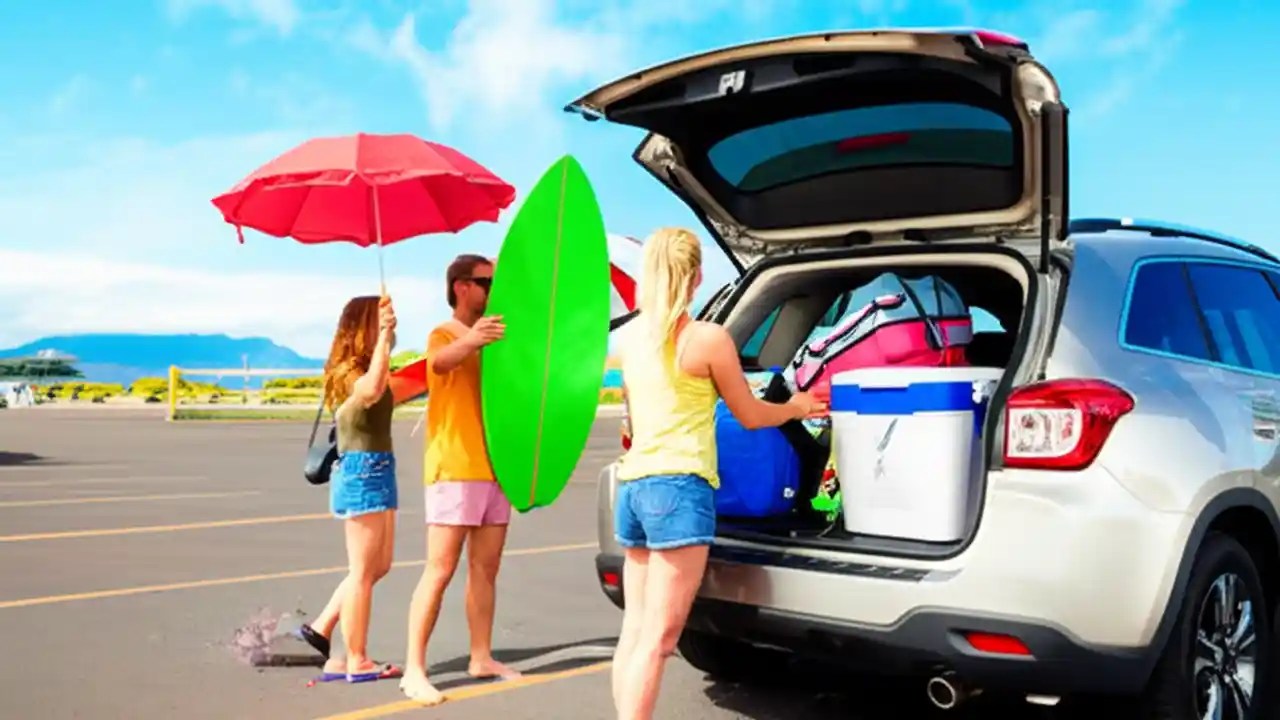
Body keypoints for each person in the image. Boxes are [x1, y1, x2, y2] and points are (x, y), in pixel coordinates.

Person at [610, 228, 823, 720]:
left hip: (635, 488)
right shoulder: (706, 339)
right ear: (697, 276)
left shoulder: (633, 341)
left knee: (635, 633)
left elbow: (633, 418)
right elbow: (750, 415)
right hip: (678, 490)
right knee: (660, 642)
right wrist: (796, 406)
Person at [400, 254, 520, 705]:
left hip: (496, 467)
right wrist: (474, 339)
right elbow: (439, 364)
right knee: (440, 569)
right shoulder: (446, 332)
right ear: (461, 287)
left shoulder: (497, 338)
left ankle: (481, 656)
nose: (493, 290)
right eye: (486, 282)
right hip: (455, 466)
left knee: (485, 569)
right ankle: (414, 668)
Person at [297, 294, 402, 683]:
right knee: (362, 571)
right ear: (362, 327)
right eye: (379, 320)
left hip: (380, 467)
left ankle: (329, 639)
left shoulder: (375, 362)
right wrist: (387, 340)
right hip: (361, 471)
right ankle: (356, 659)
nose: (388, 324)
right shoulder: (346, 371)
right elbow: (371, 390)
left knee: (379, 566)